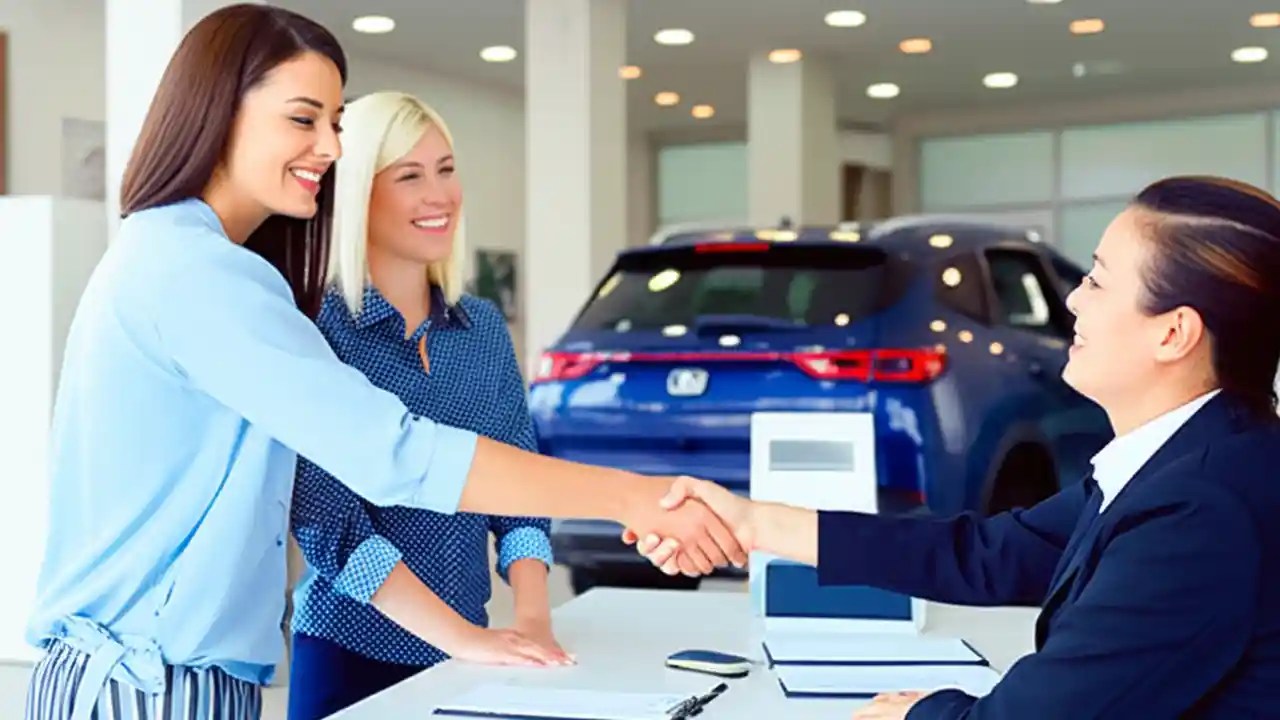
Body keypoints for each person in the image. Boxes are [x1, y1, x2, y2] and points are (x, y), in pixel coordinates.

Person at [25, 6, 743, 720]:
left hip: (170, 675)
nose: (330, 148)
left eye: (335, 123)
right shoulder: (200, 274)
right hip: (150, 682)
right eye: (302, 119)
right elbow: (393, 454)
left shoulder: (191, 260)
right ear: (219, 111)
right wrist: (634, 498)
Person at [634, 175, 1280, 719]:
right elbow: (987, 554)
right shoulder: (1197, 459)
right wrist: (752, 522)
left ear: (1173, 333)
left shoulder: (1199, 509)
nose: (1073, 300)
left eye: (1099, 281)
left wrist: (918, 713)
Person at [286, 92, 569, 720]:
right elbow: (331, 528)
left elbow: (521, 489)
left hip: (472, 655)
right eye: (409, 176)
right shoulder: (319, 331)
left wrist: (532, 624)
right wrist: (465, 639)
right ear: (358, 193)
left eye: (445, 169)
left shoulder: (484, 330)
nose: (438, 194)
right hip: (346, 653)